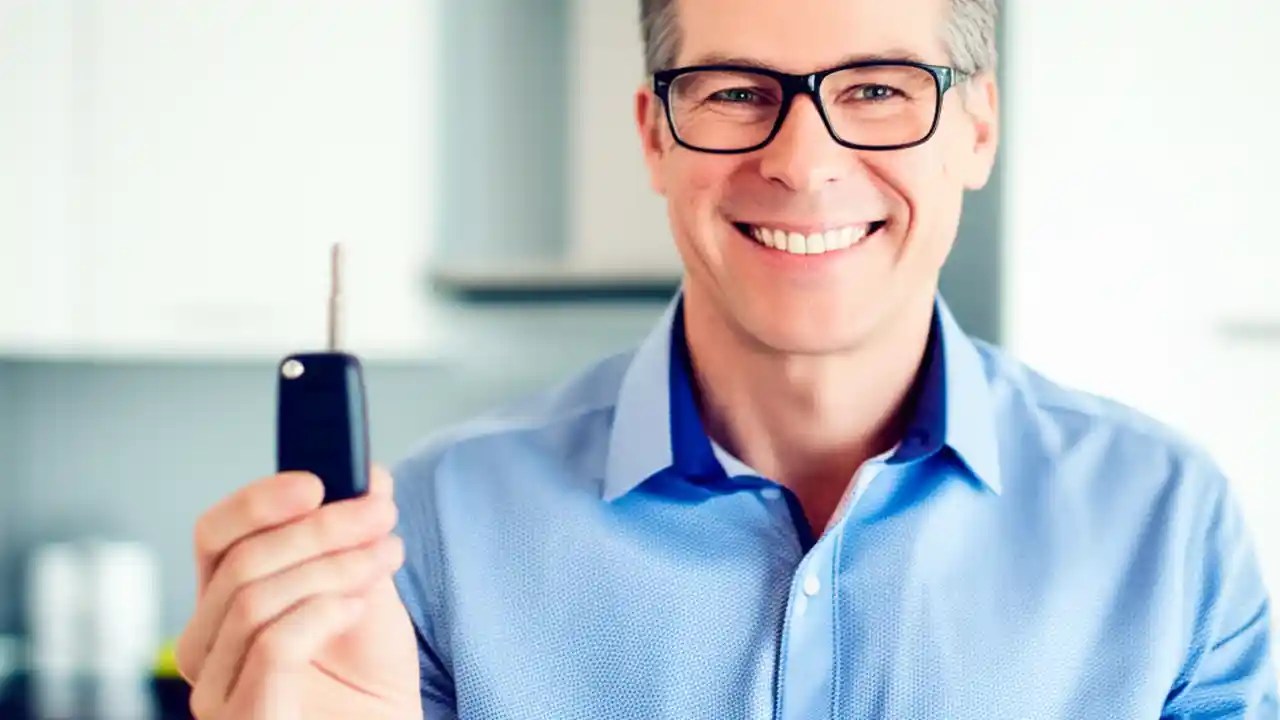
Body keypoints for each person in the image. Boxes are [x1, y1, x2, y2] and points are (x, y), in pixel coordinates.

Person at [174, 0, 1280, 717]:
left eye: (877, 89)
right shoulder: (426, 538)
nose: (803, 161)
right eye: (737, 93)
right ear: (654, 136)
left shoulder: (1167, 523)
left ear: (976, 130)